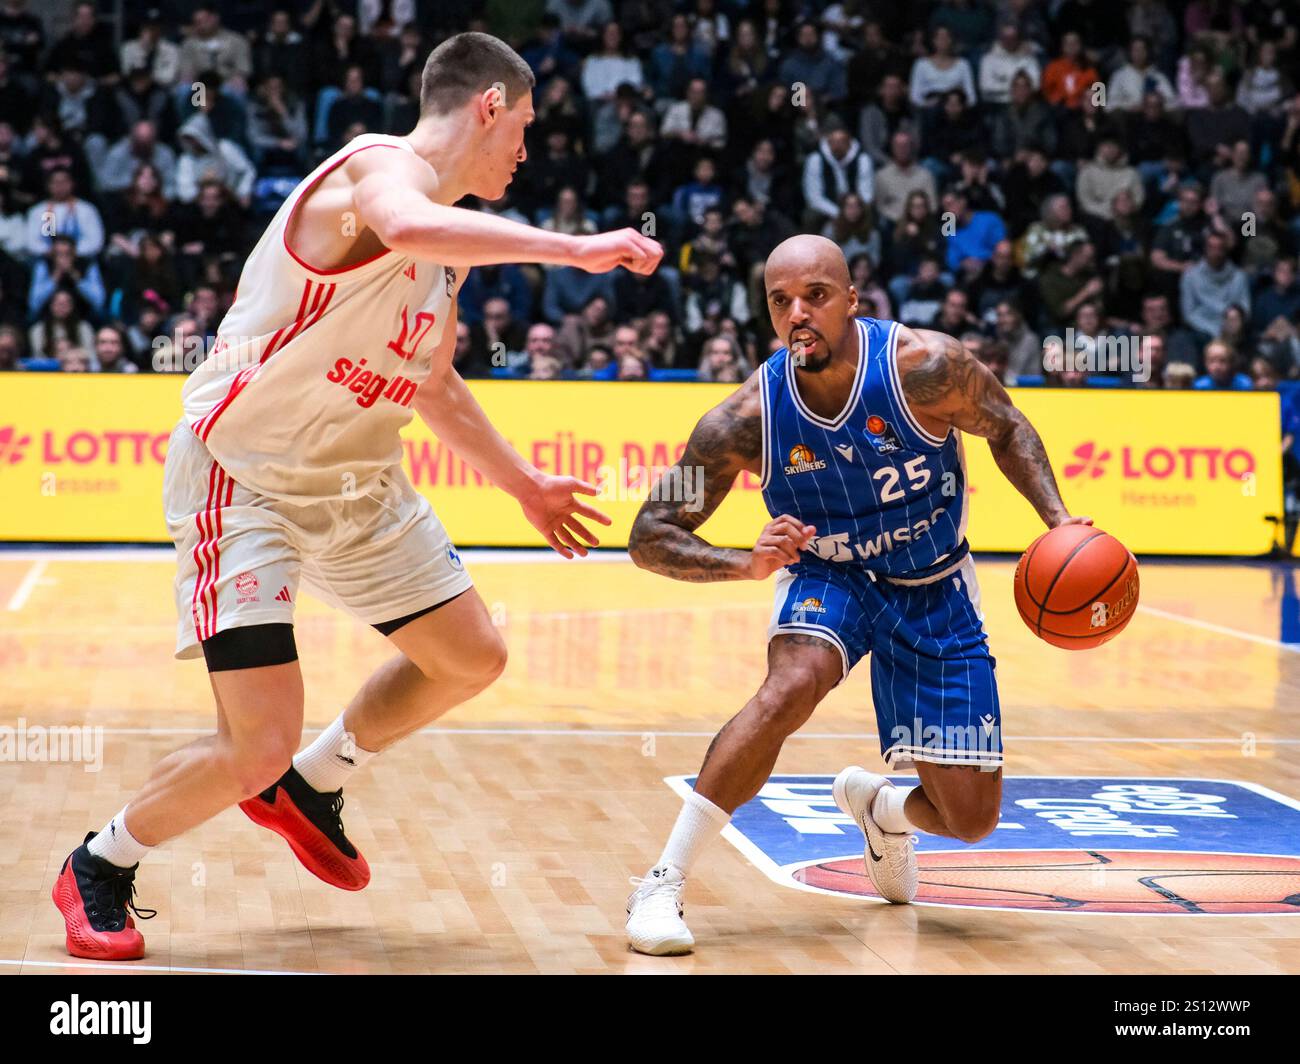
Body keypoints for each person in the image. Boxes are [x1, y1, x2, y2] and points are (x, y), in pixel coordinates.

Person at [50, 31, 662, 963]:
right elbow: (407, 224)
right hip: (243, 479)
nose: (528, 152)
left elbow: (432, 380)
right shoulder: (376, 169)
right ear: (488, 105)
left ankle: (314, 783)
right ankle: (101, 863)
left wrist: (524, 485)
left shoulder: (446, 255)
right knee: (252, 744)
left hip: (358, 483)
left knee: (469, 655)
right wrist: (573, 248)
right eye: (524, 127)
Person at [622, 234, 1088, 955]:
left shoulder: (925, 368)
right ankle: (661, 880)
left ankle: (882, 807)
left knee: (970, 819)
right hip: (830, 577)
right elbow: (650, 532)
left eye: (815, 296)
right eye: (780, 302)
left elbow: (1008, 426)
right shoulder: (747, 418)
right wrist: (742, 562)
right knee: (789, 687)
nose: (798, 314)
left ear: (850, 299)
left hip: (934, 585)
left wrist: (1059, 523)